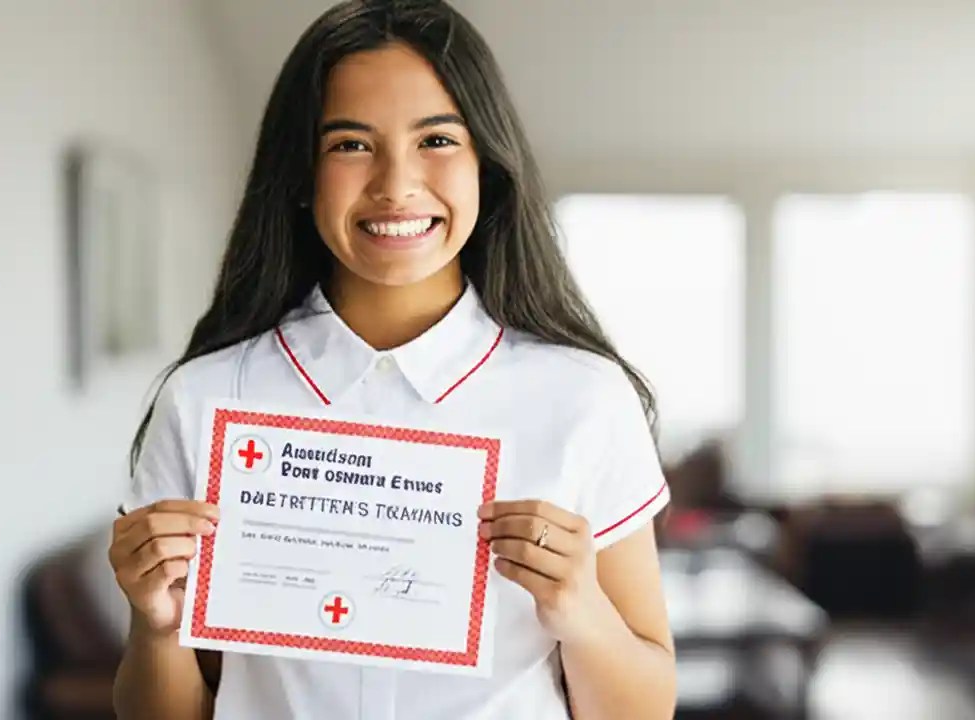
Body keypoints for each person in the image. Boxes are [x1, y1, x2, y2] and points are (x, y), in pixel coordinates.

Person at [104, 1, 675, 718]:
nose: (395, 185)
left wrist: (582, 611)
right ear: (301, 174)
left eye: (436, 139)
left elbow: (646, 709)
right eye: (350, 144)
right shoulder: (204, 399)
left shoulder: (586, 398)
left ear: (486, 165)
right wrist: (158, 629)